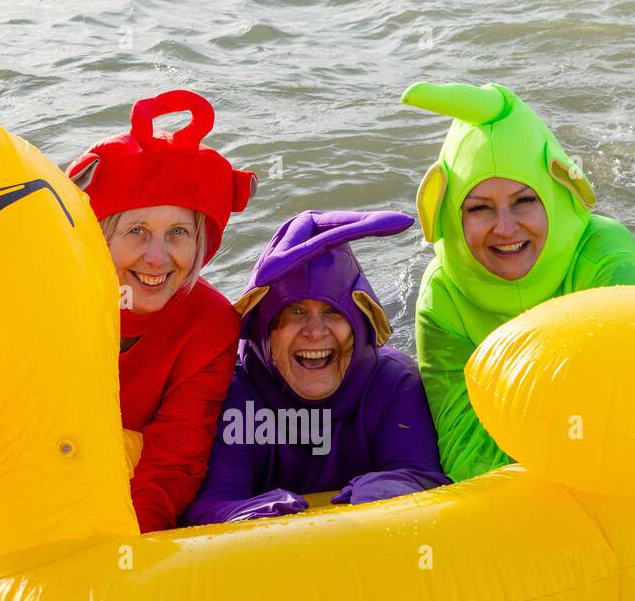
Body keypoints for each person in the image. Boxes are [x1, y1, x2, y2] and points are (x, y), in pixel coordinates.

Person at [401, 82, 635, 483]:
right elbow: (461, 444)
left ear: (557, 189)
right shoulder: (443, 292)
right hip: (521, 472)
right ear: (448, 213)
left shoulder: (605, 260)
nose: (505, 228)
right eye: (480, 208)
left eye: (524, 201)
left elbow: (629, 414)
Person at [180, 210, 449, 525]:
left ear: (360, 323)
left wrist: (403, 487)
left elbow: (425, 477)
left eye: (333, 311)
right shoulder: (232, 392)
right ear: (264, 328)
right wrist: (242, 514)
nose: (315, 331)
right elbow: (207, 507)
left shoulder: (393, 384)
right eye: (294, 311)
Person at [67, 89, 257, 532]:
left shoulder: (209, 325)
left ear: (201, 241)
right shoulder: (45, 300)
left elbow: (176, 459)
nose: (158, 258)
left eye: (177, 232)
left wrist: (128, 546)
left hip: (127, 500)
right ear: (97, 238)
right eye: (136, 231)